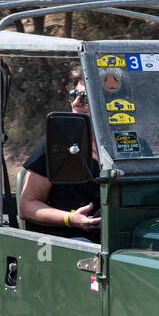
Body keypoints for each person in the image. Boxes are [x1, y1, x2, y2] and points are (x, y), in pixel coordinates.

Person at [19, 71, 101, 240]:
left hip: (119, 235)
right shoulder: (57, 144)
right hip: (71, 237)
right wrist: (70, 219)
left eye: (85, 97)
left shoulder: (130, 145)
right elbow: (27, 205)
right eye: (74, 95)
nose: (76, 102)